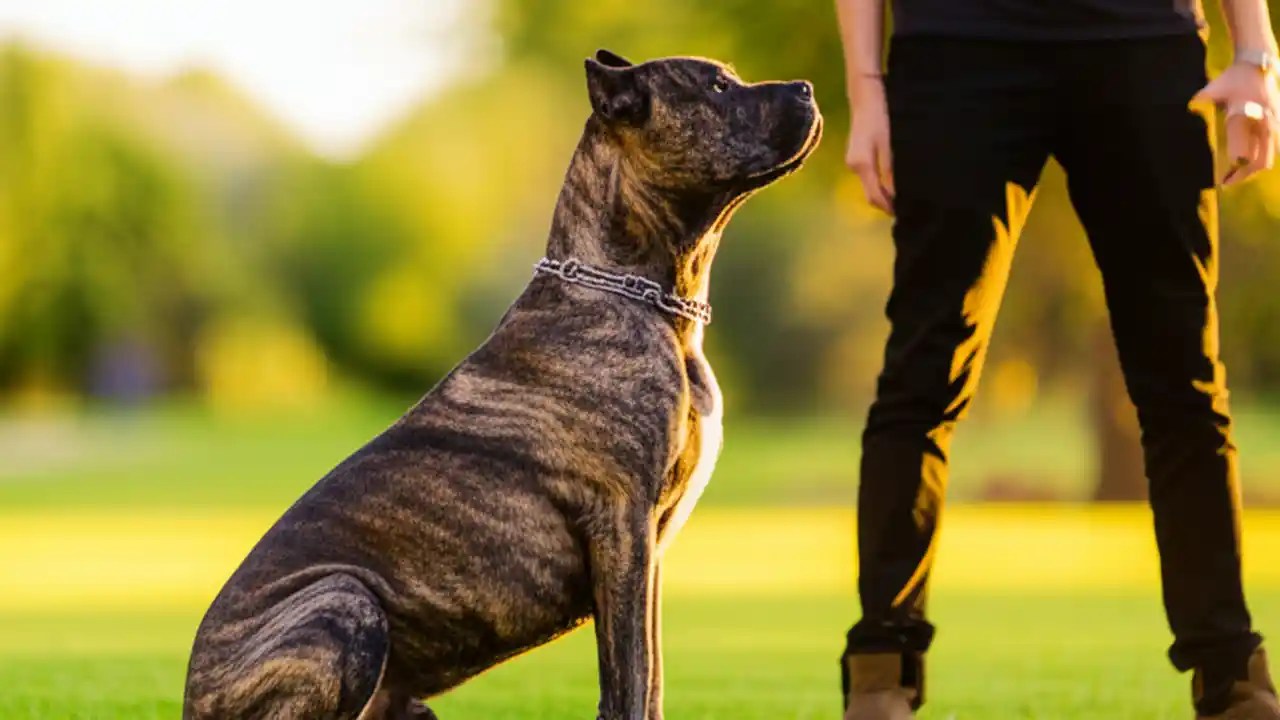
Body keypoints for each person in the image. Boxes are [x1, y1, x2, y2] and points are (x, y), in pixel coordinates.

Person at [834, 0, 1280, 717]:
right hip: (958, 47)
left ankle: (1233, 679)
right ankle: (880, 672)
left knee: (1184, 383)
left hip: (1141, 39)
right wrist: (865, 90)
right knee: (924, 373)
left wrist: (1256, 50)